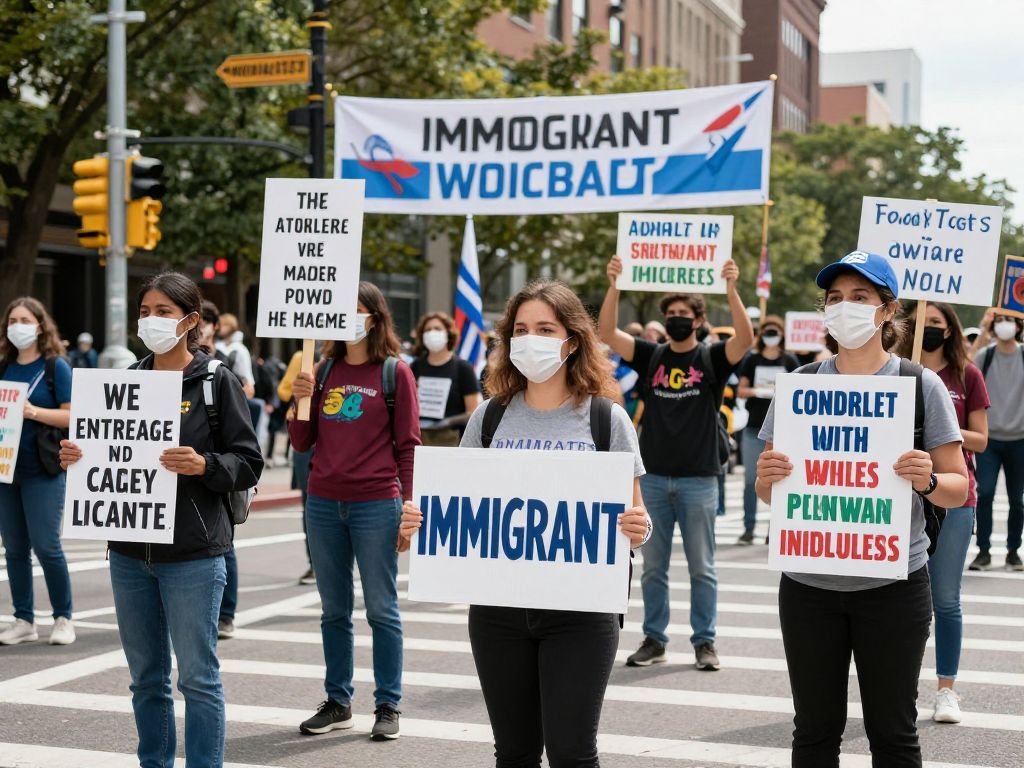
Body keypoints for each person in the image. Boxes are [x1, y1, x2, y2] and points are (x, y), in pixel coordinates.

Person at [398, 280, 651, 767]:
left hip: (581, 614)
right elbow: (458, 505)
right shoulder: (489, 418)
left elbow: (637, 516)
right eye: (520, 329)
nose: (530, 338)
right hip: (499, 615)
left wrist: (639, 528)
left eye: (544, 328)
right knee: (513, 752)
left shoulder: (606, 419)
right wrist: (417, 521)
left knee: (572, 753)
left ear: (572, 341)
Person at [756, 251, 967, 768]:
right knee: (813, 733)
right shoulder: (801, 385)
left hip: (894, 589)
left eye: (859, 297)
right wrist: (767, 482)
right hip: (808, 589)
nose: (844, 307)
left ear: (886, 310)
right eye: (834, 299)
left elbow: (958, 487)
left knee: (893, 735)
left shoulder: (919, 385)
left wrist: (930, 479)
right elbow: (770, 490)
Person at [59, 272, 263, 767]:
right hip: (129, 554)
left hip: (193, 554)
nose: (151, 320)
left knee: (197, 678)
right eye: (145, 311)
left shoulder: (217, 381)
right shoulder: (125, 382)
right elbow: (107, 454)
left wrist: (204, 464)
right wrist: (78, 456)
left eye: (164, 312)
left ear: (191, 320)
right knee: (145, 678)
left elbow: (249, 462)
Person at [600, 255, 754, 671]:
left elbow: (746, 336)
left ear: (700, 321)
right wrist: (615, 284)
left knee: (702, 568)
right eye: (671, 314)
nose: (676, 320)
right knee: (653, 568)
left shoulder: (713, 358)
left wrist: (732, 290)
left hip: (700, 479)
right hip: (652, 479)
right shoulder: (651, 356)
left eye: (684, 314)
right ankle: (654, 639)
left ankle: (705, 642)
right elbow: (607, 333)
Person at [288, 282, 420, 742]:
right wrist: (298, 401)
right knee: (333, 611)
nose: (349, 317)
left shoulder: (393, 373)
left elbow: (408, 446)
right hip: (323, 501)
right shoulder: (323, 369)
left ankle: (388, 704)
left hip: (376, 503)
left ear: (375, 317)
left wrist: (409, 503)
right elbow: (302, 442)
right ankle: (338, 700)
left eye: (357, 309)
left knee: (382, 609)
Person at [898, 301, 989, 723]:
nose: (927, 328)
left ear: (949, 330)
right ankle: (898, 686)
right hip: (899, 495)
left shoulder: (966, 374)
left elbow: (982, 440)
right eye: (920, 322)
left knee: (945, 599)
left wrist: (941, 427)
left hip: (954, 497)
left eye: (935, 323)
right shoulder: (897, 371)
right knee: (898, 598)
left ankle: (946, 690)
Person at [0, 298, 74, 646]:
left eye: (25, 319)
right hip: (5, 469)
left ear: (40, 326)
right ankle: (23, 619)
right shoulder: (4, 367)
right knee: (14, 548)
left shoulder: (54, 367)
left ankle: (63, 617)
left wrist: (33, 412)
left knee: (47, 545)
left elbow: (74, 416)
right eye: (12, 320)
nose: (18, 325)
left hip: (42, 469)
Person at [968, 309, 1024, 571]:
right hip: (989, 440)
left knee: (1017, 499)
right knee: (985, 493)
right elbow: (964, 368)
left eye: (1009, 320)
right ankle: (984, 552)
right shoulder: (985, 355)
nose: (1004, 325)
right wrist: (983, 329)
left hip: (1020, 440)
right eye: (999, 320)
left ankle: (1013, 551)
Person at [735, 315, 798, 544]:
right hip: (754, 428)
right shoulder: (751, 360)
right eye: (767, 331)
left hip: (784, 432)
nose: (771, 336)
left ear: (782, 335)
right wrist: (759, 391)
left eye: (775, 331)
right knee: (752, 480)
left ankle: (775, 530)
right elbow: (741, 390)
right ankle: (749, 528)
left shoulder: (790, 361)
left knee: (780, 482)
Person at [409, 311, 482, 446]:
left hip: (451, 441)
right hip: (419, 440)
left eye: (437, 329)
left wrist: (447, 422)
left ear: (448, 333)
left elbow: (473, 412)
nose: (432, 333)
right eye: (428, 330)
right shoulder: (415, 367)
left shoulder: (463, 368)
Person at [278, 348, 316, 585]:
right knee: (309, 503)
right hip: (305, 438)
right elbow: (282, 391)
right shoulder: (302, 357)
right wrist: (299, 391)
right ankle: (314, 563)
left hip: (333, 440)